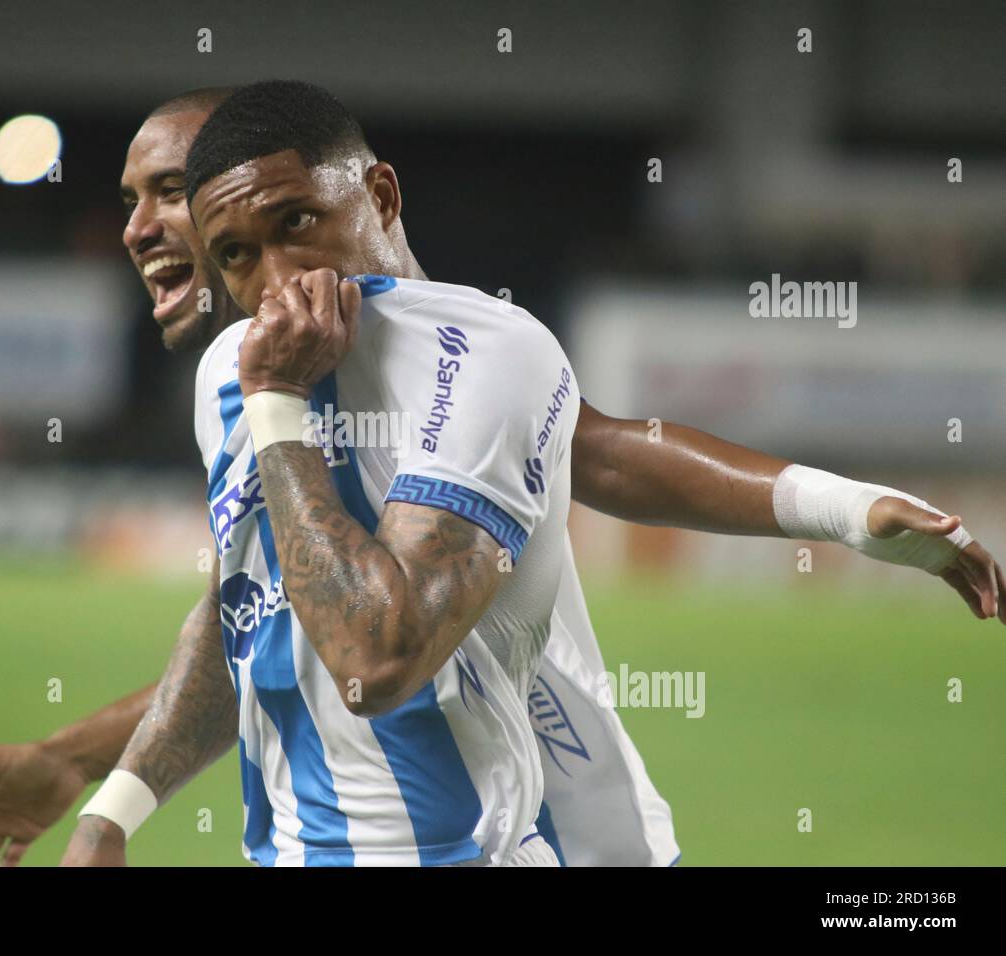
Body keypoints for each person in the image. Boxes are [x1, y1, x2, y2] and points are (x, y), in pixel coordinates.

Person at [55, 81, 1002, 867]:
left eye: (172, 191)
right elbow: (248, 619)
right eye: (234, 251)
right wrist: (111, 802)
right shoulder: (233, 376)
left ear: (377, 194)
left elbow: (375, 657)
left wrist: (835, 508)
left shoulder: (466, 357)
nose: (269, 274)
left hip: (547, 825)